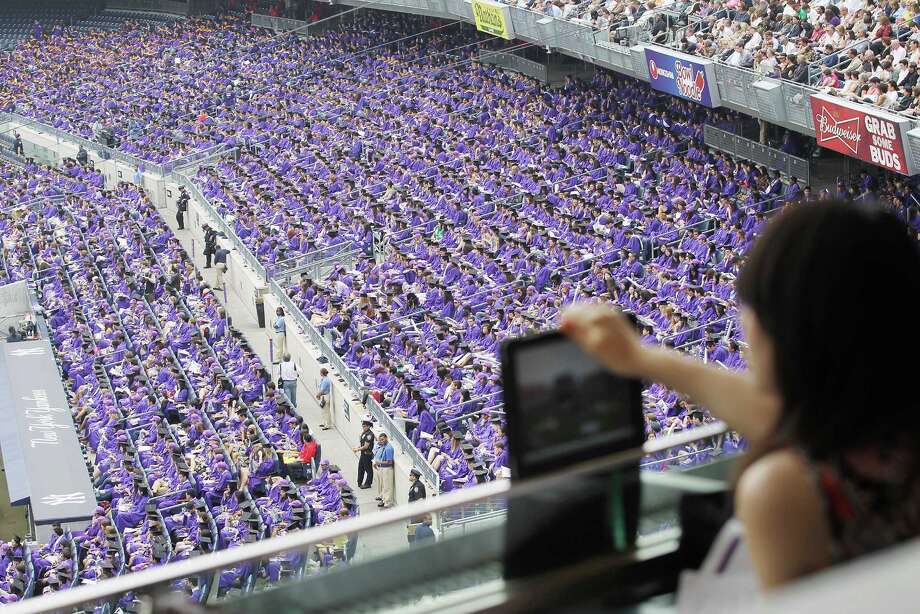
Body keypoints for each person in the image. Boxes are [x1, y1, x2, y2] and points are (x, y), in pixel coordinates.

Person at [561, 202, 920, 591]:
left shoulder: (783, 490)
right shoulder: (885, 433)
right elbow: (774, 415)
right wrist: (640, 358)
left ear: (790, 332)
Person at [373, 432, 395, 508]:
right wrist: (376, 463)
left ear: (386, 438)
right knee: (382, 485)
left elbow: (390, 462)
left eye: (382, 439)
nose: (381, 441)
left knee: (387, 486)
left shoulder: (388, 448)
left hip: (387, 469)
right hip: (381, 468)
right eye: (380, 440)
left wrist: (379, 462)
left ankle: (388, 502)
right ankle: (383, 499)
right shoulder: (382, 446)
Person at [352, 418, 375, 489]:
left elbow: (366, 446)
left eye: (364, 426)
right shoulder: (364, 433)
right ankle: (359, 482)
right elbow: (362, 443)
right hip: (363, 454)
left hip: (367, 454)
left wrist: (357, 449)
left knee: (368, 470)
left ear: (368, 426)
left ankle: (368, 483)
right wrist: (358, 447)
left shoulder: (369, 435)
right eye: (363, 426)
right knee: (361, 468)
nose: (363, 427)